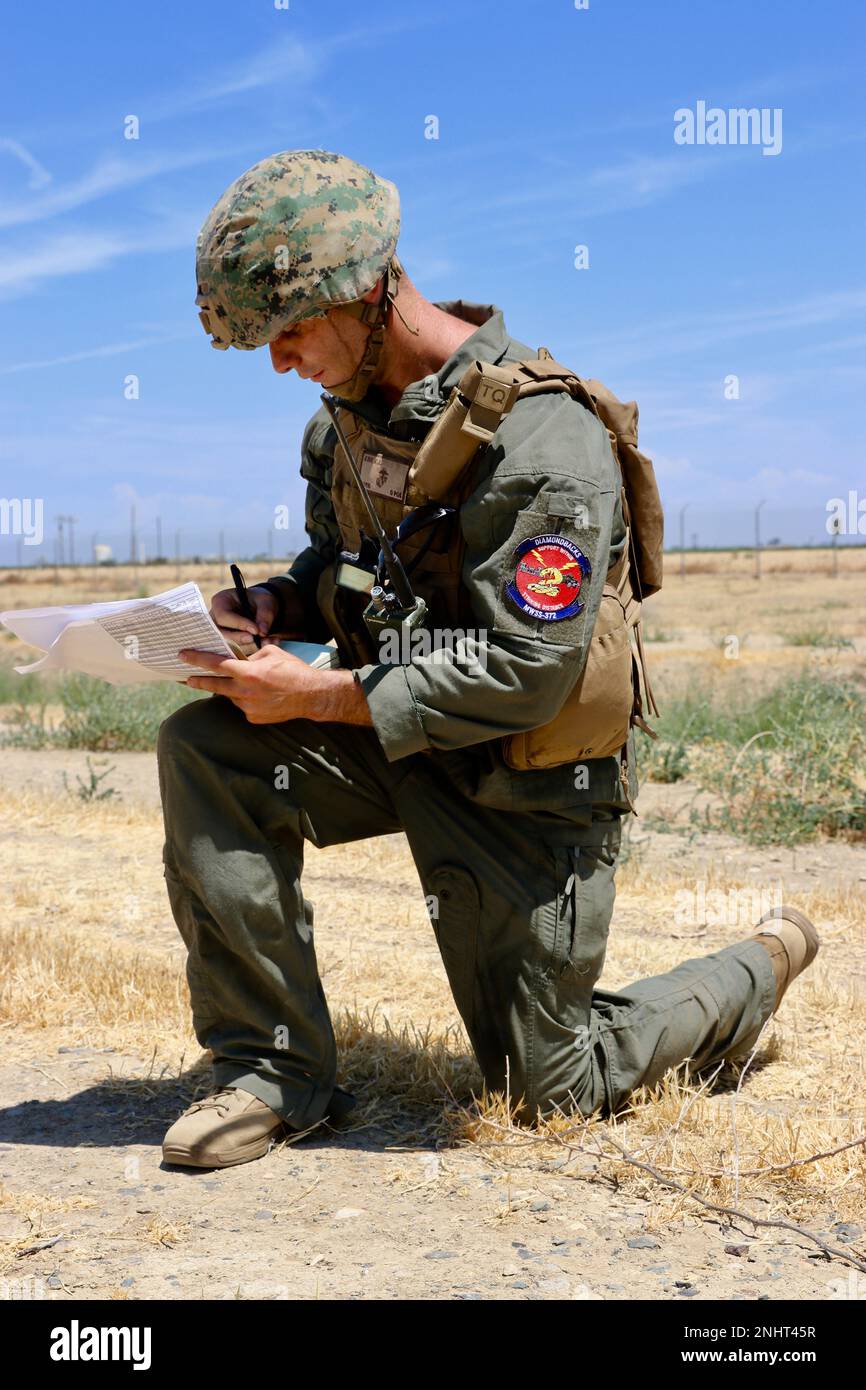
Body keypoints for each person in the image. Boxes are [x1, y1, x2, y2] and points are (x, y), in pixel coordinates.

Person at [158, 150, 818, 1169]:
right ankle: (271, 1070)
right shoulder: (341, 423)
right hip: (396, 734)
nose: (279, 360)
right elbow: (340, 563)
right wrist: (273, 602)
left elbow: (527, 672)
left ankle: (753, 969)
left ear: (369, 292)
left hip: (525, 778)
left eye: (289, 330)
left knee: (548, 1088)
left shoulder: (543, 440)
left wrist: (322, 695)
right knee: (207, 747)